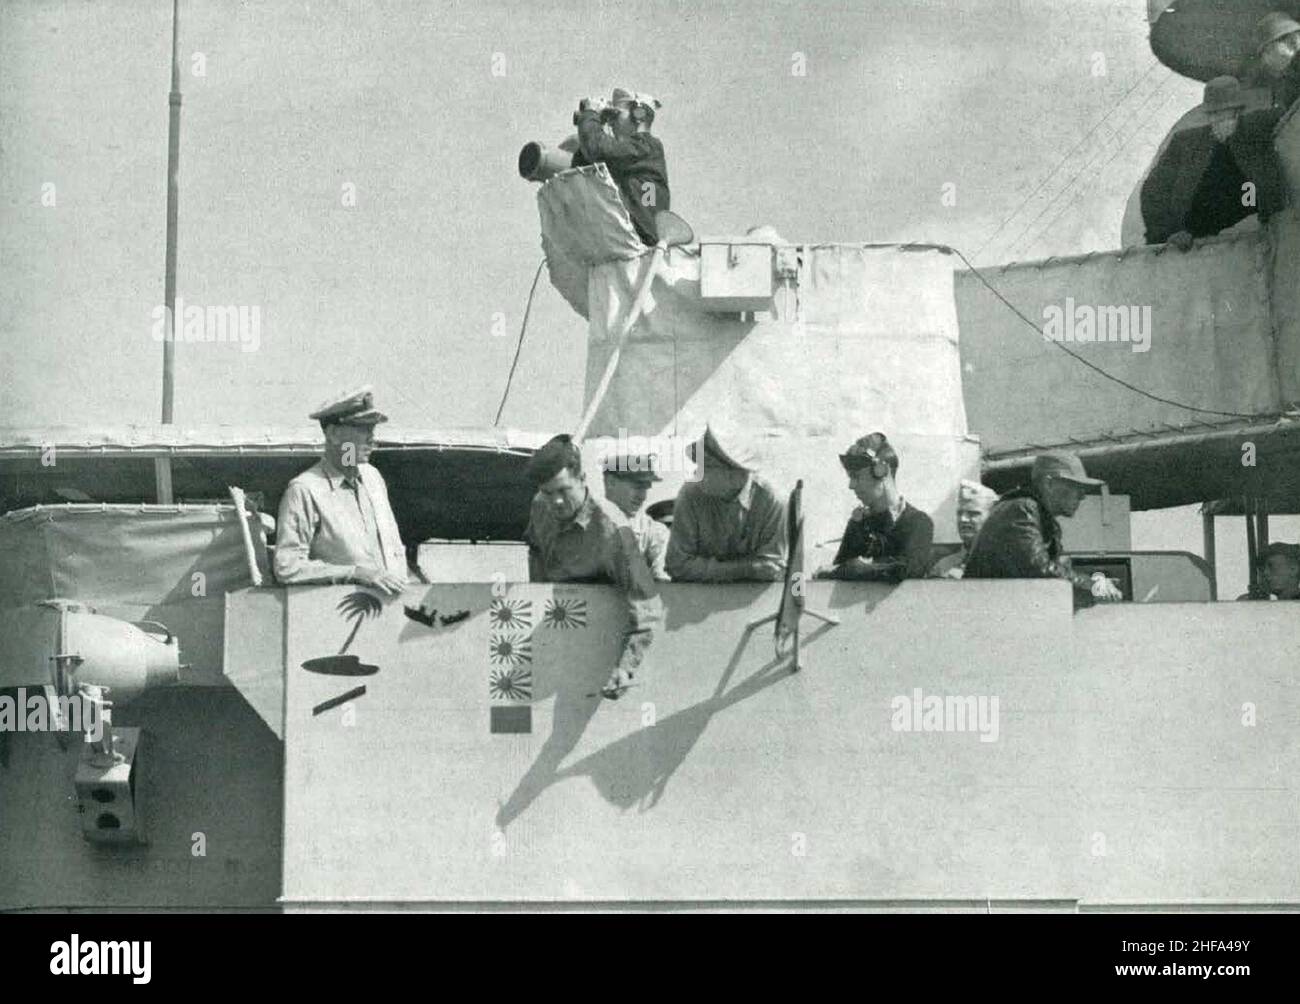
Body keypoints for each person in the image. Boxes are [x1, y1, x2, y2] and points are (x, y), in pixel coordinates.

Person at [524, 434, 661, 698]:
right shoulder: (540, 506)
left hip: (602, 640)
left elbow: (648, 607)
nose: (556, 502)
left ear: (583, 480)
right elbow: (536, 551)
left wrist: (625, 668)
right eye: (548, 493)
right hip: (555, 630)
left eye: (564, 491)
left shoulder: (614, 530)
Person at [274, 386, 408, 595]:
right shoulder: (305, 489)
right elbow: (287, 567)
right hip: (340, 617)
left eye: (372, 430)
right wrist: (355, 573)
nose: (372, 439)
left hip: (389, 613)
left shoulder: (372, 478)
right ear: (334, 434)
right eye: (363, 429)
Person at [963, 450, 1123, 608]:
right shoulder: (1022, 510)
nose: (1082, 496)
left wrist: (1093, 581)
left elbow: (1050, 569)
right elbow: (1039, 570)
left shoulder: (1032, 513)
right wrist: (1093, 587)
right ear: (1049, 483)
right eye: (1076, 486)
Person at [665, 424, 786, 582]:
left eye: (705, 467)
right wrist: (745, 569)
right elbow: (677, 565)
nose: (696, 472)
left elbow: (770, 569)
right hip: (699, 598)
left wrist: (706, 569)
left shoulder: (771, 501)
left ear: (735, 474)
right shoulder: (690, 495)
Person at [814, 432, 934, 582]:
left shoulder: (919, 523)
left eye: (856, 476)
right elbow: (837, 575)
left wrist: (858, 568)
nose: (851, 485)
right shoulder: (859, 523)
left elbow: (907, 569)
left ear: (881, 471)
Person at [572, 87, 670, 246]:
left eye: (615, 116)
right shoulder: (631, 154)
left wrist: (591, 116)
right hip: (631, 234)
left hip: (640, 236)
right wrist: (594, 120)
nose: (611, 123)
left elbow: (596, 150)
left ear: (638, 115)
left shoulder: (646, 146)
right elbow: (583, 166)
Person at [601, 451, 670, 581]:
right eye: (637, 487)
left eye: (646, 488)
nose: (642, 496)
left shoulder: (650, 529)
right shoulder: (584, 521)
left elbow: (663, 577)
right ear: (611, 483)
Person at [928, 479, 999, 579]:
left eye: (973, 514)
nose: (963, 519)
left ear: (992, 517)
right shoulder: (943, 566)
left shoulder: (1002, 564)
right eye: (960, 513)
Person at [1249, 11, 1300, 110]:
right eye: (1287, 40)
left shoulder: (1294, 75)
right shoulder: (1256, 84)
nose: (1296, 46)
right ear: (1267, 49)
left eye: (1297, 36)